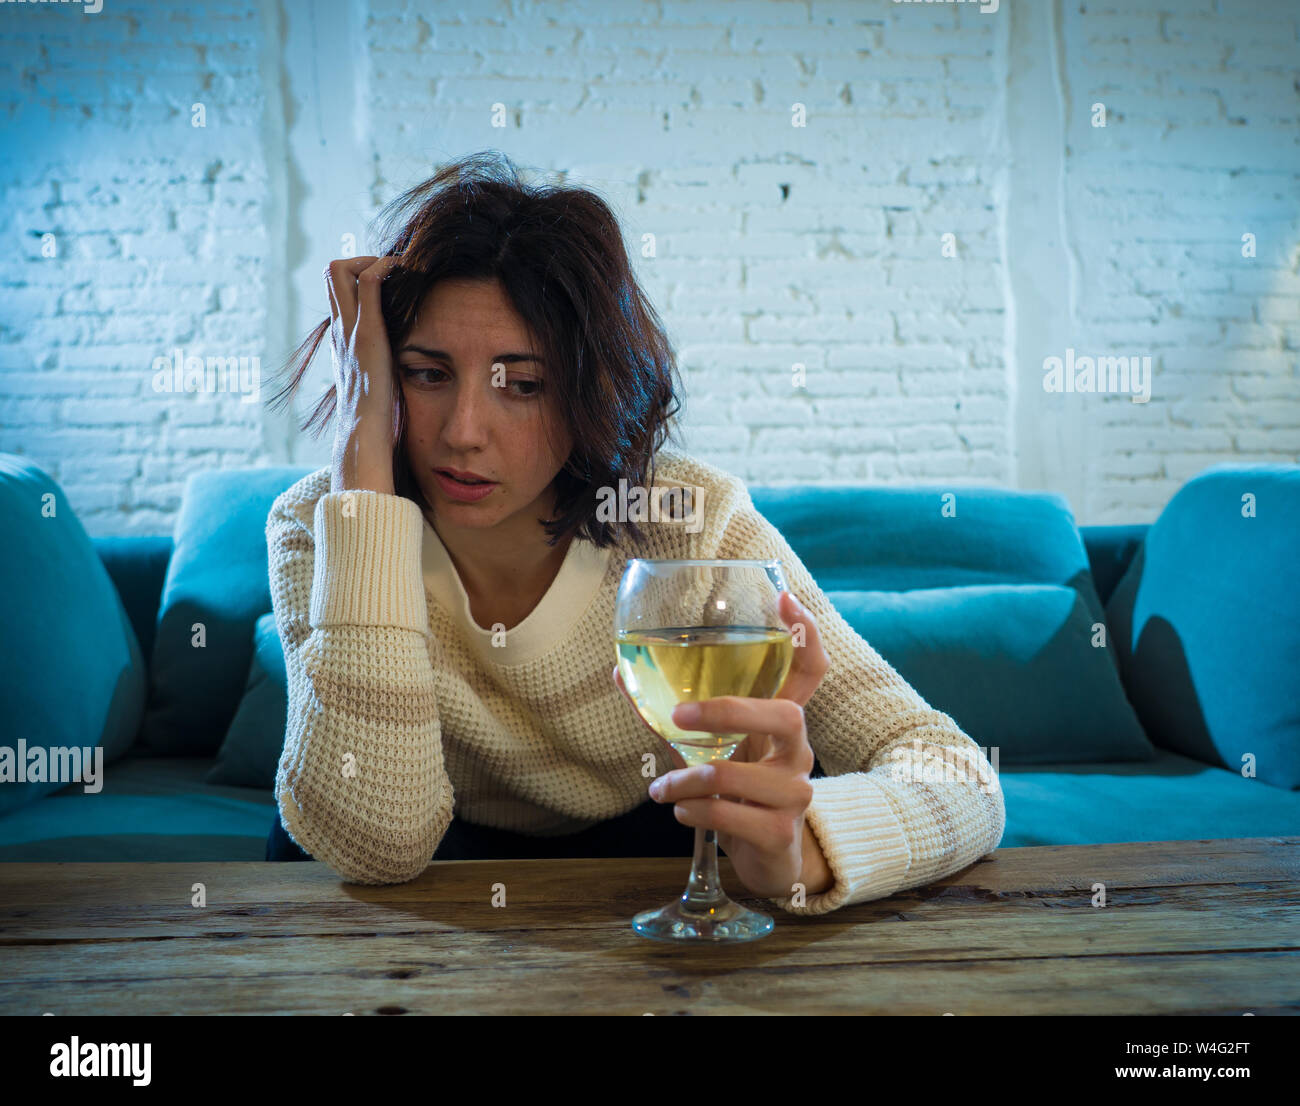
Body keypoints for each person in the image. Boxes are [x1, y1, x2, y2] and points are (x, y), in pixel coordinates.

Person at [261, 150, 1004, 916]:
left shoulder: (687, 522)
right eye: (424, 374)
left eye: (522, 385)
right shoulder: (322, 525)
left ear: (592, 387)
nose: (463, 433)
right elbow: (379, 848)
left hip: (647, 867)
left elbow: (957, 774)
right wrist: (362, 469)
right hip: (421, 895)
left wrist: (803, 849)